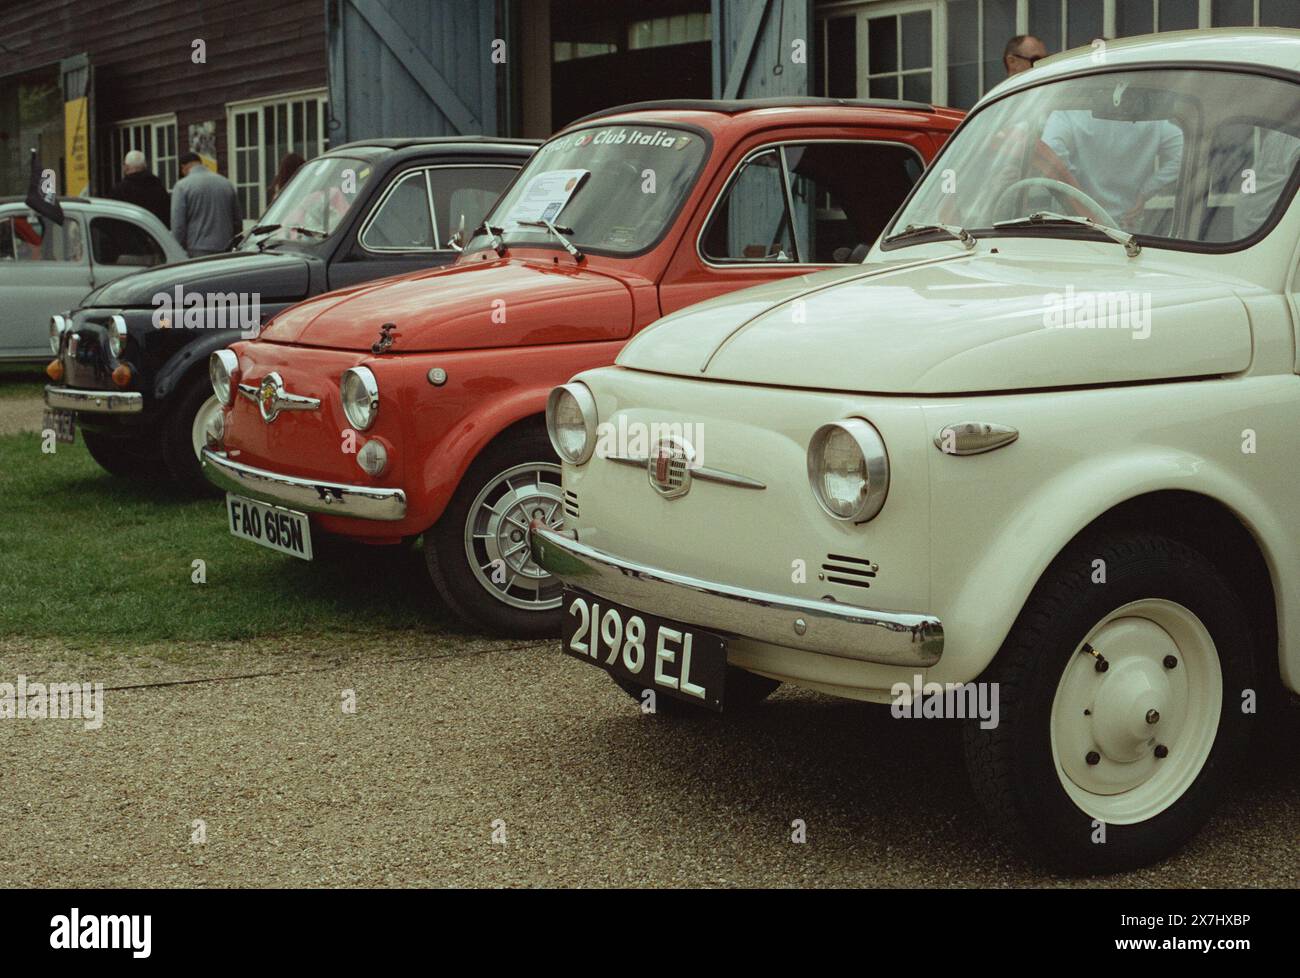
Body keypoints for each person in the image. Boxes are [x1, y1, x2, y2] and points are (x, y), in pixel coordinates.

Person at [170, 150, 242, 257]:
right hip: (225, 247)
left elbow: (178, 225)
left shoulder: (182, 186)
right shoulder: (226, 183)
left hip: (197, 248)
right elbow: (237, 220)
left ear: (183, 167)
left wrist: (175, 248)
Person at [107, 150, 171, 227]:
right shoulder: (157, 186)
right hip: (154, 233)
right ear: (145, 166)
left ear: (126, 167)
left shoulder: (119, 190)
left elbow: (112, 218)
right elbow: (167, 213)